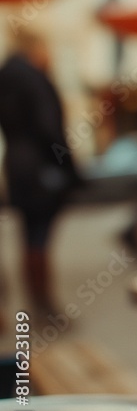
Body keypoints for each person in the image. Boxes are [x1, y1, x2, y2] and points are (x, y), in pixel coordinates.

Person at [0, 30, 81, 316]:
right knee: (40, 237)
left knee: (28, 236)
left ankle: (36, 303)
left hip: (15, 166)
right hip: (40, 168)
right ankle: (44, 305)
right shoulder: (34, 79)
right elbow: (50, 129)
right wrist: (70, 167)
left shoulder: (6, 78)